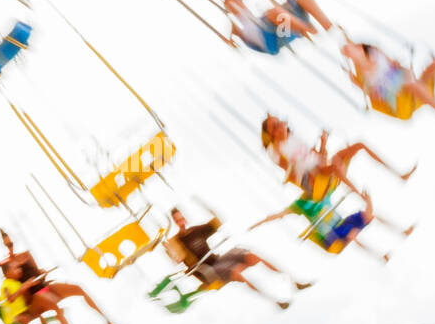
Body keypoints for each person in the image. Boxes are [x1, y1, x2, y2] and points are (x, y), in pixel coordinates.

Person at [166, 208, 308, 309]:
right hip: (209, 271)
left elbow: (217, 223)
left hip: (218, 260)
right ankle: (275, 300)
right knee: (236, 271)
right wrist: (172, 253)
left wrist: (204, 205)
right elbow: (177, 257)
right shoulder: (177, 242)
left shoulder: (195, 230)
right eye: (177, 220)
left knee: (252, 256)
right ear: (175, 222)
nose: (181, 222)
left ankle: (294, 281)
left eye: (181, 218)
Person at [261, 115, 414, 200]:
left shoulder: (295, 139)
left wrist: (323, 143)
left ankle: (399, 174)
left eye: (279, 122)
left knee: (358, 145)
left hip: (322, 169)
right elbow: (288, 170)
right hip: (311, 181)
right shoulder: (275, 150)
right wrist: (297, 162)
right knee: (333, 165)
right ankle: (361, 196)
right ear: (272, 134)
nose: (281, 125)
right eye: (276, 125)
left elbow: (321, 157)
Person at [341, 41, 435, 129]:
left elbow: (397, 67)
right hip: (399, 100)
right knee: (410, 85)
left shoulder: (375, 52)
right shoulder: (359, 72)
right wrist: (367, 89)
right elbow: (369, 93)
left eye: (355, 47)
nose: (352, 50)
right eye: (350, 51)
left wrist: (401, 65)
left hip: (407, 83)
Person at [250, 190, 414, 262]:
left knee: (370, 213)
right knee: (352, 234)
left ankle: (402, 231)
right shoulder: (300, 203)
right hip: (330, 233)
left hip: (341, 222)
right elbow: (279, 214)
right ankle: (380, 255)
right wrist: (261, 222)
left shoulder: (323, 192)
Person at [224, 0, 333, 56]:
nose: (236, 3)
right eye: (233, 2)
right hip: (276, 37)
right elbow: (232, 37)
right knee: (273, 12)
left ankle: (330, 28)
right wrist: (230, 41)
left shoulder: (258, 19)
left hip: (291, 23)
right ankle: (308, 30)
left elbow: (289, 3)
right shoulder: (241, 25)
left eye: (237, 0)